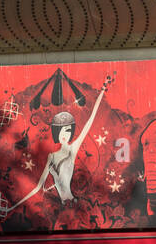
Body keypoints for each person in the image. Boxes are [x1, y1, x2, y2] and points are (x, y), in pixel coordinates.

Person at [8, 76, 111, 211]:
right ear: (56, 132)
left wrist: (102, 90)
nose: (64, 134)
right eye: (61, 131)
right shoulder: (52, 156)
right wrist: (11, 208)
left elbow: (90, 120)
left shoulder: (72, 149)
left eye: (67, 131)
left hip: (73, 204)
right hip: (61, 208)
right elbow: (38, 187)